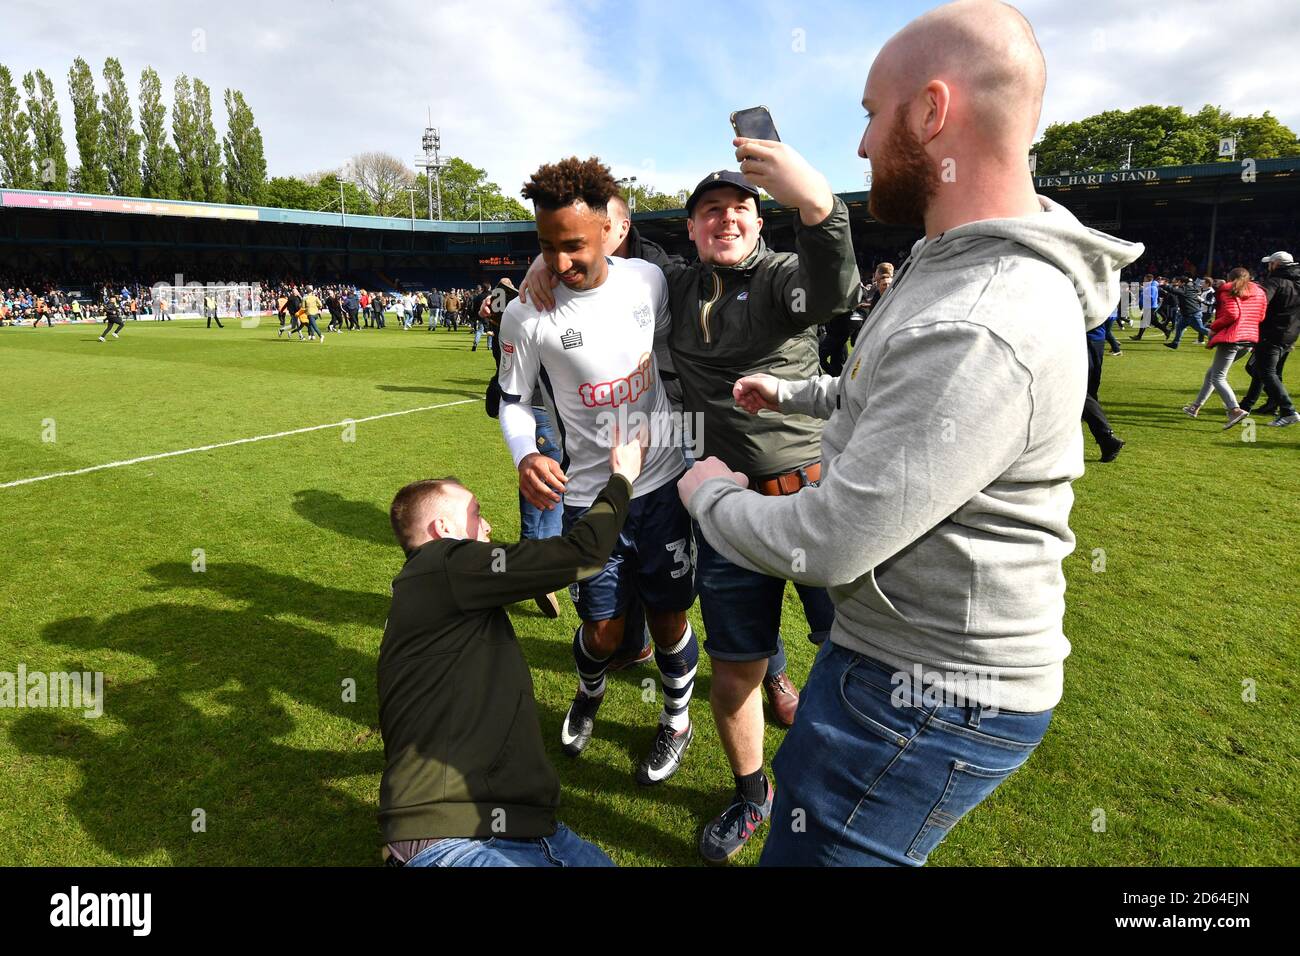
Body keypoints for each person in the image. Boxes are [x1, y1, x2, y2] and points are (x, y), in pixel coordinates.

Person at [678, 0, 1143, 867]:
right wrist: (797, 396)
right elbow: (886, 395)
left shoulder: (981, 317)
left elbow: (828, 542)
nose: (860, 144)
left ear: (932, 112)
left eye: (868, 113)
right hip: (898, 663)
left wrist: (707, 493)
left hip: (925, 695)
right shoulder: (951, 261)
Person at [524, 159, 859, 863]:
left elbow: (834, 288)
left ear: (760, 221)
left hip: (813, 494)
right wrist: (544, 260)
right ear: (692, 229)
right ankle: (751, 792)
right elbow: (599, 241)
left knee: (850, 651)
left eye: (738, 208)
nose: (725, 219)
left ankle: (832, 767)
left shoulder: (779, 276)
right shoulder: (670, 279)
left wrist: (820, 205)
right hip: (723, 505)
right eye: (710, 212)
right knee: (735, 664)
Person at [500, 156, 700, 787]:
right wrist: (526, 454)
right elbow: (511, 400)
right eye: (545, 247)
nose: (559, 263)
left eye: (573, 246)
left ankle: (677, 716)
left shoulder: (648, 281)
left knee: (670, 619)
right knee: (603, 629)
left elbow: (685, 338)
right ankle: (588, 692)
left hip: (664, 484)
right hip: (590, 498)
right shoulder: (526, 315)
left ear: (610, 231)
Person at [378, 434, 645, 868]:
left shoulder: (428, 591)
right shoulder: (444, 563)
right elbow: (582, 553)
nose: (486, 527)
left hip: (529, 830)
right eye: (476, 514)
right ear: (443, 529)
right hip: (452, 840)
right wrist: (621, 477)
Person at [1181, 267, 1263, 428]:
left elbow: (1232, 314)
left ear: (1229, 278)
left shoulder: (1229, 290)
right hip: (1249, 338)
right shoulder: (1259, 293)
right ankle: (1195, 407)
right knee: (1212, 373)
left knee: (1217, 376)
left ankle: (1234, 410)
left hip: (1232, 337)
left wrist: (1214, 327)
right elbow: (1261, 315)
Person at [1240, 251, 1300, 427]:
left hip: (1271, 334)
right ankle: (1247, 405)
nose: (1268, 267)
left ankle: (1288, 410)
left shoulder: (1274, 281)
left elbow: (1260, 304)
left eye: (1270, 264)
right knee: (1262, 370)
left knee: (1266, 372)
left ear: (1276, 264)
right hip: (1290, 335)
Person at [1083, 303, 1125, 460]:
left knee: (1078, 393)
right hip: (1097, 340)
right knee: (1088, 393)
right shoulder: (1103, 287)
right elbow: (1112, 316)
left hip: (1082, 339)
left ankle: (1106, 437)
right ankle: (1106, 440)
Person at [1163, 276, 1209, 349]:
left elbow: (1174, 290)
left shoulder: (1185, 289)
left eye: (1179, 282)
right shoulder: (1190, 287)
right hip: (1187, 314)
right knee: (1179, 327)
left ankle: (1217, 337)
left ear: (1183, 282)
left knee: (1201, 329)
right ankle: (1175, 343)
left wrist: (1163, 285)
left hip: (1192, 313)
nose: (1178, 283)